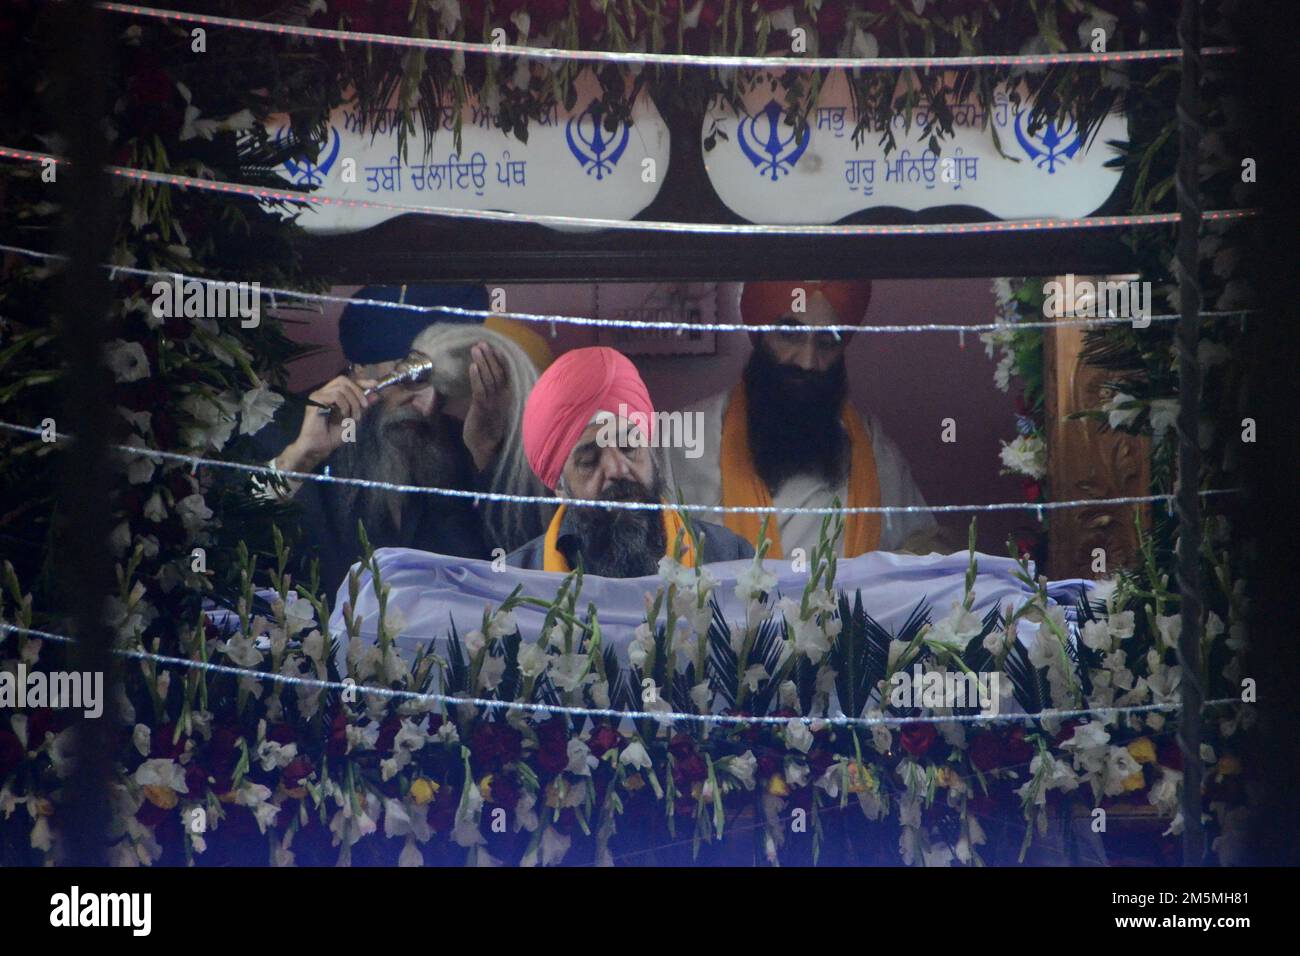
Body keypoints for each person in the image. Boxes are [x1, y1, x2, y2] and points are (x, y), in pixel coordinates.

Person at [254, 284, 548, 595]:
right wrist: (299, 458)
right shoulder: (278, 430)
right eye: (411, 382)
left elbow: (520, 578)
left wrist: (489, 451)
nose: (428, 405)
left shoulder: (458, 446)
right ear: (360, 369)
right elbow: (226, 541)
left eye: (443, 389)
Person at [664, 280, 946, 560]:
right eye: (790, 335)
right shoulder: (685, 437)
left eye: (827, 342)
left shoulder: (872, 449)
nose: (808, 361)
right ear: (761, 336)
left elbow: (924, 555)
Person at [507, 347, 753, 576]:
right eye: (590, 461)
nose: (618, 469)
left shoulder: (731, 561)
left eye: (628, 447)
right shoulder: (517, 582)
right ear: (560, 487)